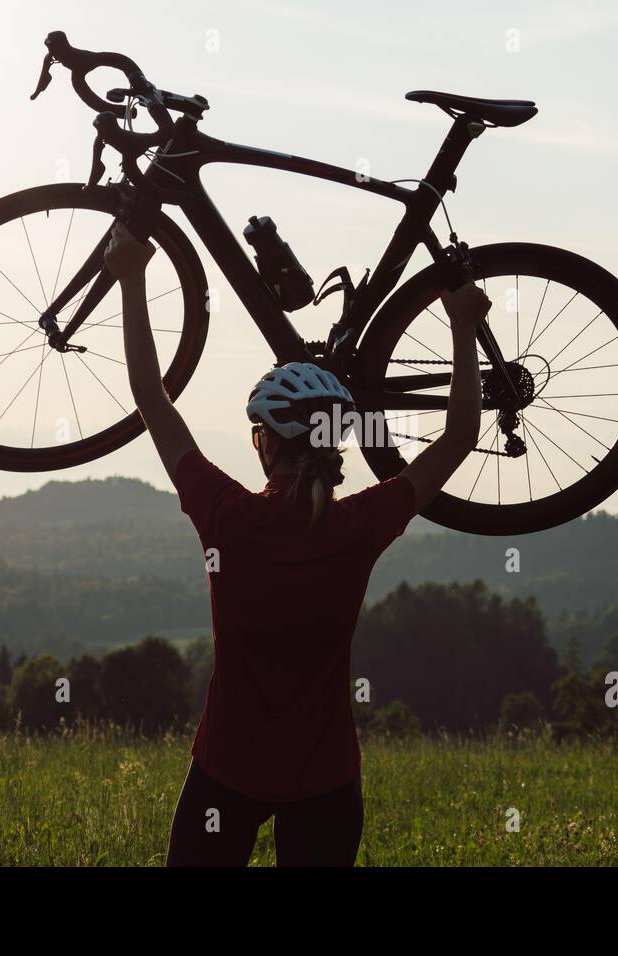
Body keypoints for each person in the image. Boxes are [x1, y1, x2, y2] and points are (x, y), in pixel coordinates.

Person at [104, 222, 488, 866]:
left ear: (267, 442)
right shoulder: (357, 525)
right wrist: (462, 322)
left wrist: (133, 278)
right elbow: (458, 436)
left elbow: (152, 397)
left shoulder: (226, 516)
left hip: (225, 769)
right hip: (327, 780)